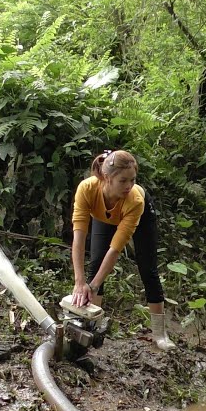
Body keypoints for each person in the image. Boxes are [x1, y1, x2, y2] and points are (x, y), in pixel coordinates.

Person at [70, 149, 175, 351]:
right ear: (106, 178)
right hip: (105, 215)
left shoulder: (134, 199)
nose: (129, 186)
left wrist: (92, 287)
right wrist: (79, 282)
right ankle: (91, 328)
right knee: (95, 265)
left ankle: (160, 334)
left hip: (140, 217)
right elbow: (79, 238)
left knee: (148, 269)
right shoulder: (87, 189)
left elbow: (115, 250)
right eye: (123, 181)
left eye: (133, 180)